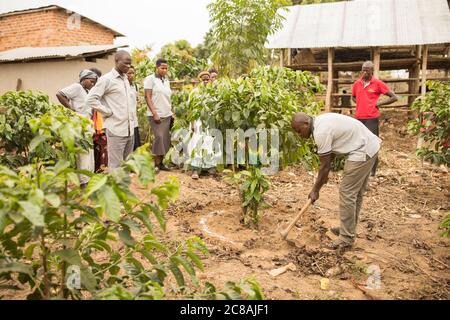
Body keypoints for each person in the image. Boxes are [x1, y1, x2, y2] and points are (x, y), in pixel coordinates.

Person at [292, 112, 381, 252]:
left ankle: (346, 238)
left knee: (347, 193)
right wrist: (323, 177)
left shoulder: (320, 132)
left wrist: (315, 190)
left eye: (299, 130)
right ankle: (348, 229)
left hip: (362, 150)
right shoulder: (321, 121)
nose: (299, 134)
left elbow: (325, 166)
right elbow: (330, 154)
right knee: (355, 194)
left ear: (306, 124)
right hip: (369, 145)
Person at [86, 50, 137, 170]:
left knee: (126, 165)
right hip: (116, 129)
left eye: (130, 64)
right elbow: (90, 99)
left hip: (130, 130)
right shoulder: (107, 79)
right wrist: (107, 111)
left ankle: (123, 188)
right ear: (116, 61)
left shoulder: (125, 79)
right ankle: (115, 188)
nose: (128, 67)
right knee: (116, 166)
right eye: (125, 63)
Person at [352, 61, 398, 176]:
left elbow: (394, 97)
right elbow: (353, 97)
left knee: (372, 144)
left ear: (372, 71)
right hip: (359, 118)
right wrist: (359, 104)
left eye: (367, 70)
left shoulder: (377, 83)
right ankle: (361, 168)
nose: (364, 72)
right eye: (363, 69)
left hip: (372, 118)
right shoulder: (357, 84)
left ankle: (372, 171)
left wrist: (379, 104)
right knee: (359, 144)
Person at [56, 69, 98, 187]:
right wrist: (72, 110)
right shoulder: (77, 87)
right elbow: (60, 94)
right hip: (79, 123)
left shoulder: (86, 91)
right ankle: (83, 181)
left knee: (89, 151)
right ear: (83, 80)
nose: (93, 84)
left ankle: (89, 178)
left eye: (94, 82)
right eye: (91, 81)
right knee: (83, 153)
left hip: (87, 123)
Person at [188, 71, 219, 180]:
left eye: (207, 79)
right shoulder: (195, 92)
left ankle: (208, 168)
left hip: (209, 123)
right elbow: (190, 108)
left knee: (209, 144)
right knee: (197, 143)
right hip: (197, 122)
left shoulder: (212, 92)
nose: (206, 81)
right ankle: (195, 170)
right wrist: (192, 123)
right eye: (203, 79)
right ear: (199, 80)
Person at [144, 58, 173, 172]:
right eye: (162, 68)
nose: (164, 70)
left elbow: (167, 98)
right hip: (156, 115)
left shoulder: (166, 80)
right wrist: (154, 113)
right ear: (157, 67)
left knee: (165, 139)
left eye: (166, 68)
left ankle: (161, 163)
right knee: (159, 137)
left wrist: (171, 112)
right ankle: (156, 164)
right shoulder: (150, 79)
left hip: (167, 114)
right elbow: (147, 97)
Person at [127, 65, 141, 150]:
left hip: (134, 119)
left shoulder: (135, 86)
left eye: (133, 73)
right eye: (129, 73)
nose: (131, 75)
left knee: (136, 144)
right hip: (126, 120)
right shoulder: (122, 86)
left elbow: (136, 99)